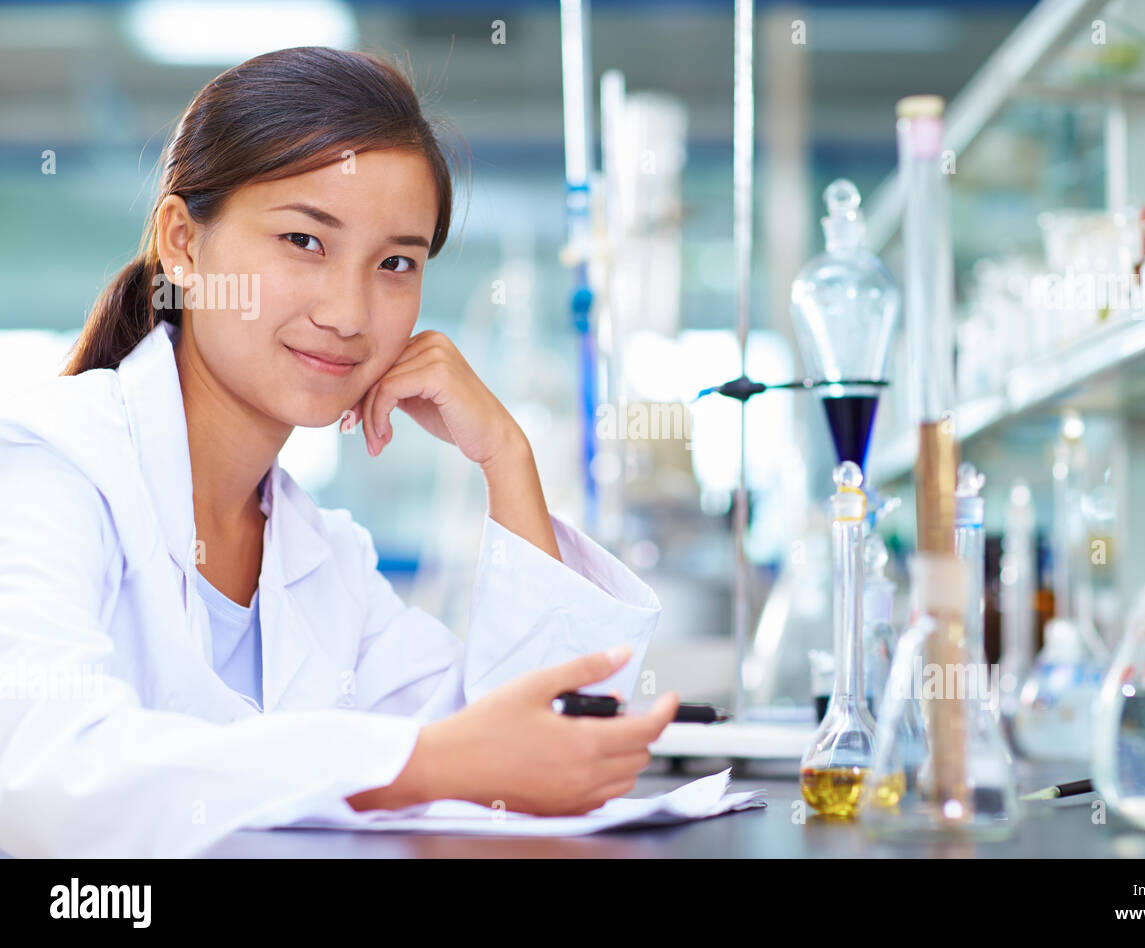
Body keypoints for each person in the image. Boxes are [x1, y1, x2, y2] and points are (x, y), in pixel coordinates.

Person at [0, 46, 678, 859]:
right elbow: (42, 778)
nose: (350, 313)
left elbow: (540, 748)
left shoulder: (325, 558)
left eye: (396, 263)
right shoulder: (50, 468)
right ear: (183, 243)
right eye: (304, 241)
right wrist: (423, 763)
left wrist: (505, 455)